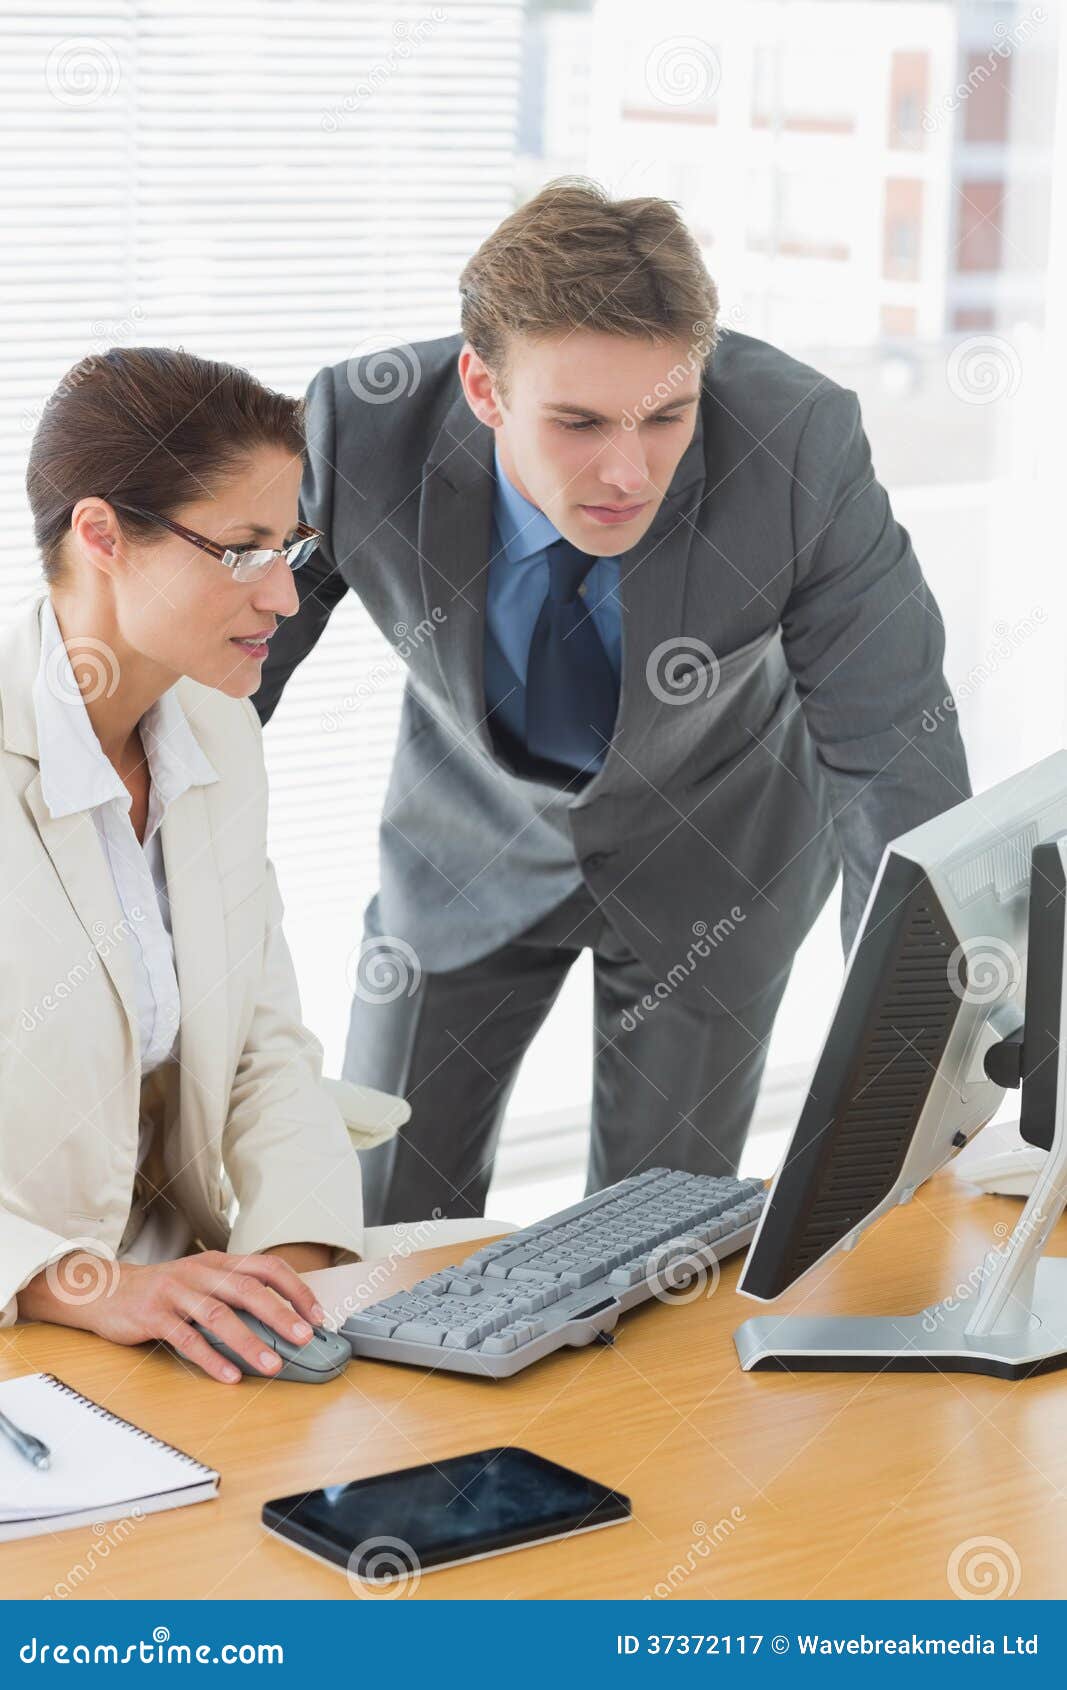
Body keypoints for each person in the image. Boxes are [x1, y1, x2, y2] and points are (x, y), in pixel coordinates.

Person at [253, 178, 971, 1226]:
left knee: (647, 1249)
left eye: (665, 415)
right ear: (483, 389)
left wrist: (914, 1049)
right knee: (378, 1223)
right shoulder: (361, 432)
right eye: (578, 422)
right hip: (462, 855)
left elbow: (892, 754)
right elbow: (229, 675)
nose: (626, 471)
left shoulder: (798, 441)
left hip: (715, 862)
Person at [2, 347, 367, 1383]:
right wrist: (90, 1285)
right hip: (37, 1339)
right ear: (103, 535)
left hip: (189, 1335)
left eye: (290, 544)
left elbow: (265, 1043)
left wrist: (282, 1278)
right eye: (244, 549)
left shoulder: (218, 729)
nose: (288, 597)